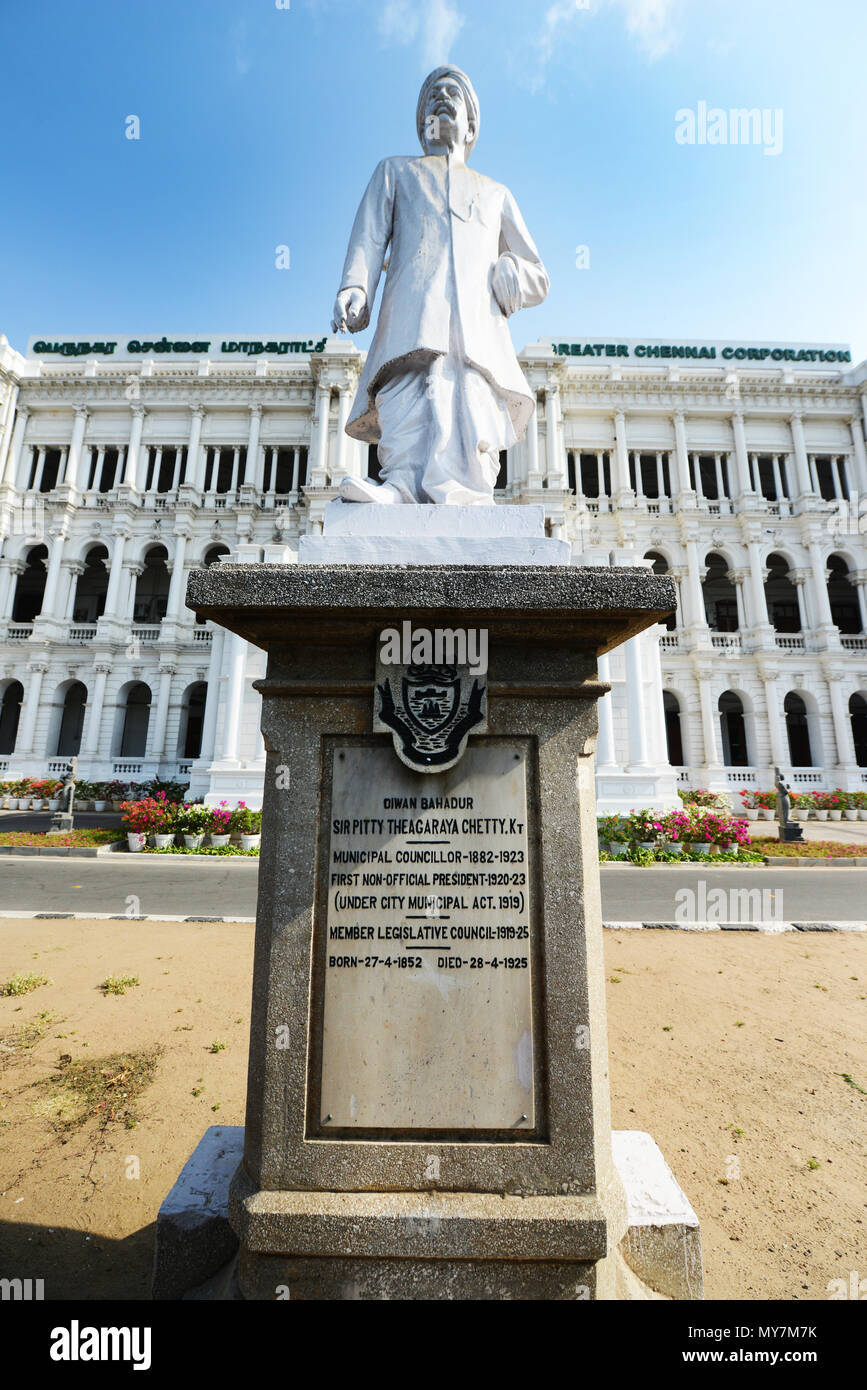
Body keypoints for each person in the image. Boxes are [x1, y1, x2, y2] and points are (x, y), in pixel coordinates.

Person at [331, 65, 549, 505]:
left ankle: (469, 490)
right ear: (421, 123)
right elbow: (370, 237)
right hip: (411, 310)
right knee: (410, 387)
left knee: (468, 392)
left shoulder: (495, 192)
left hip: (476, 321)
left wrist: (512, 272)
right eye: (433, 95)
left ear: (471, 124)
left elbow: (537, 274)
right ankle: (401, 484)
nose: (441, 97)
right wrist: (355, 286)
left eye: (453, 93)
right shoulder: (396, 172)